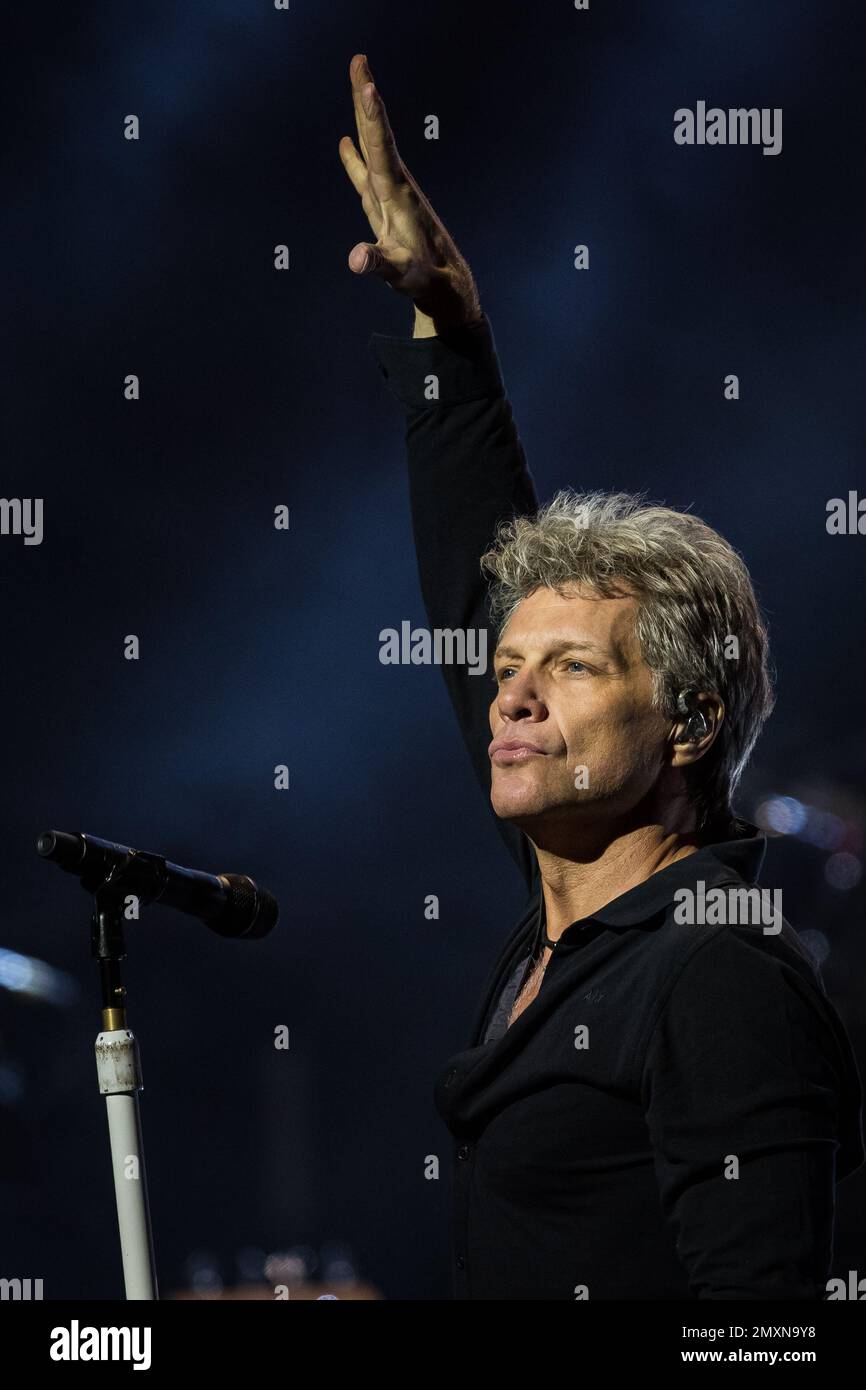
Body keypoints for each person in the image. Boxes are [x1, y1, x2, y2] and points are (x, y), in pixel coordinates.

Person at [339, 53, 864, 1300]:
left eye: (569, 669)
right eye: (506, 669)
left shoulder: (715, 974)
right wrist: (450, 333)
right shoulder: (577, 920)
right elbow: (477, 594)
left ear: (687, 718)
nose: (510, 697)